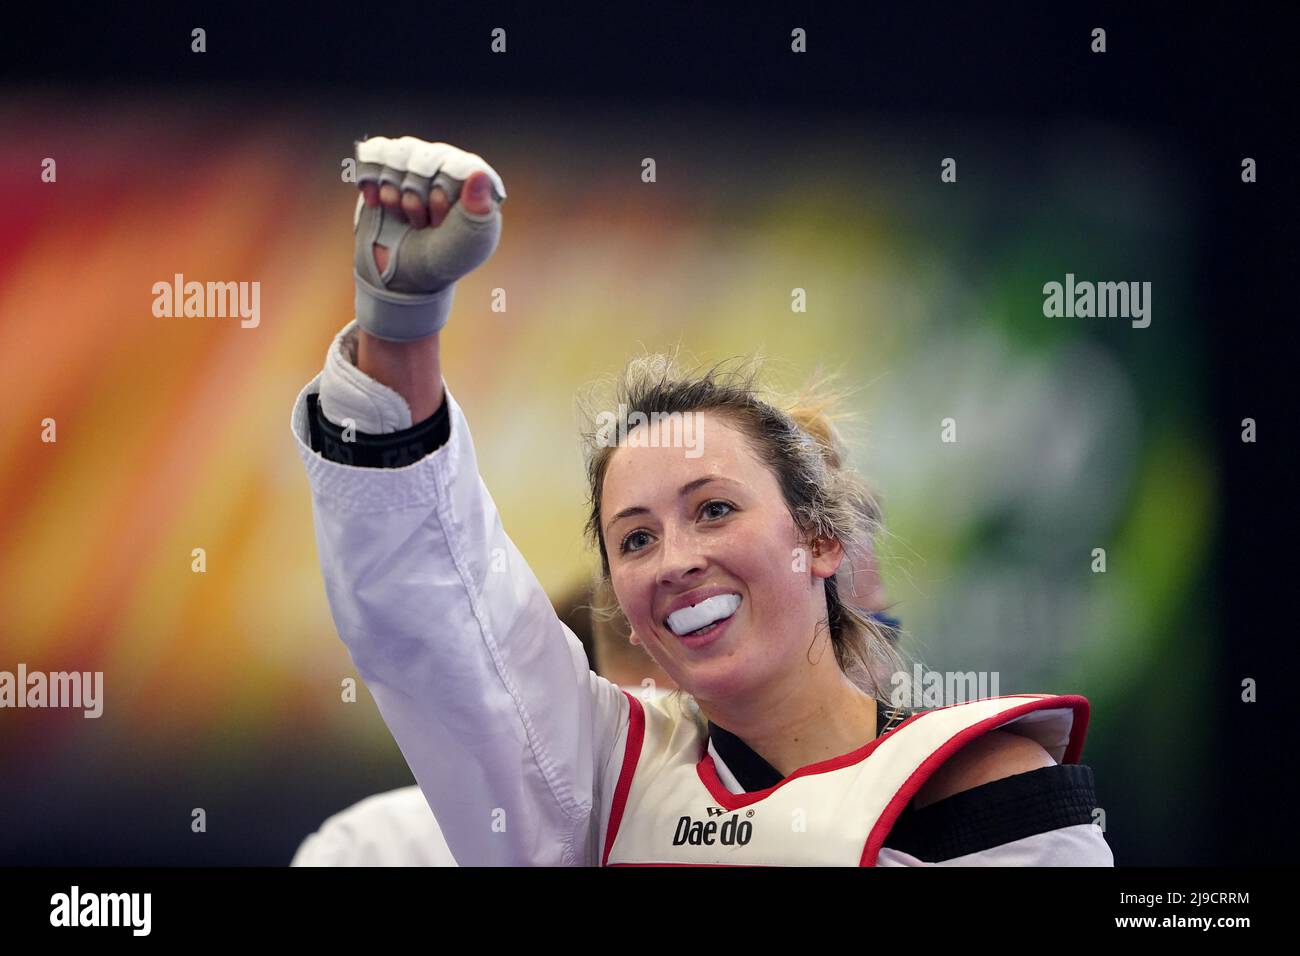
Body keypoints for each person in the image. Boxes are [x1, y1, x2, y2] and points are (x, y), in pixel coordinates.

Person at [289, 134, 1112, 866]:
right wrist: (398, 327)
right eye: (635, 539)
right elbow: (445, 625)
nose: (676, 560)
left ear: (823, 540)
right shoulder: (603, 776)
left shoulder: (976, 785)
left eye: (714, 509)